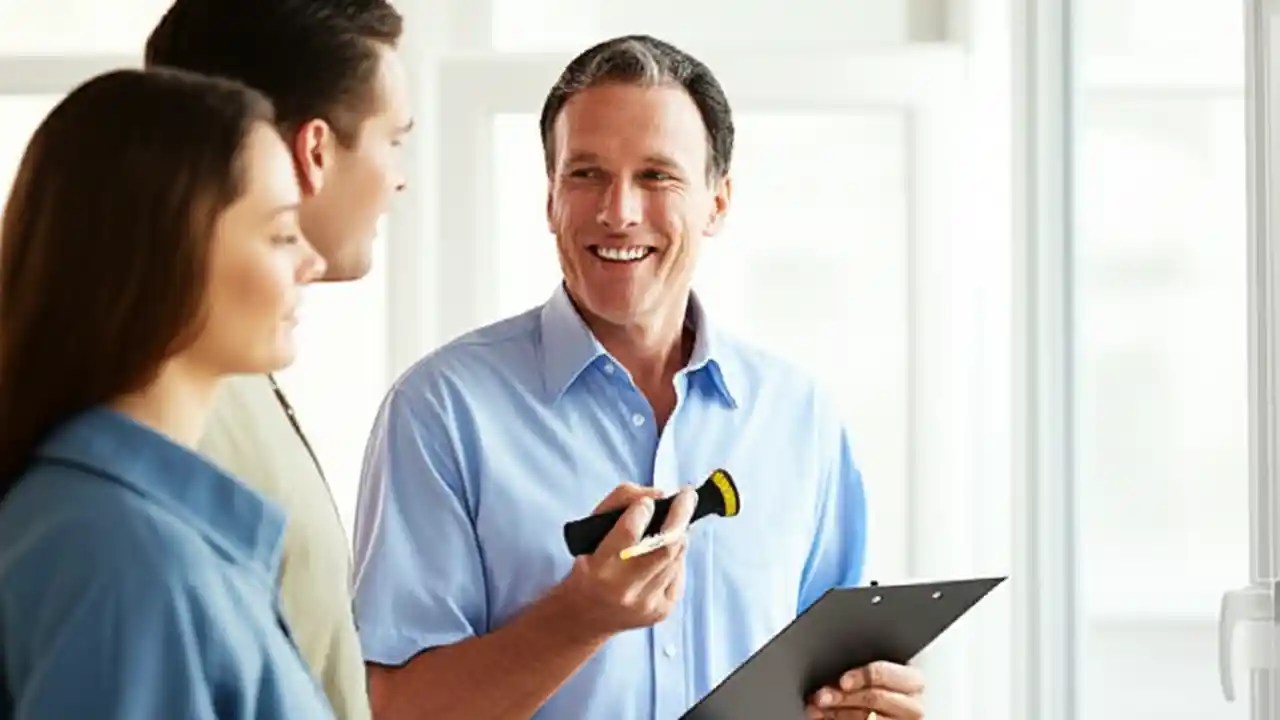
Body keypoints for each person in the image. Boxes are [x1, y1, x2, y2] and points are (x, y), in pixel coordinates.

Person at [352, 34, 927, 720]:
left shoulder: (799, 416)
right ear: (550, 199)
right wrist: (577, 617)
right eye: (586, 174)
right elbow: (392, 710)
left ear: (717, 202)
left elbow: (826, 684)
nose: (618, 211)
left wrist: (861, 705)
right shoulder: (440, 412)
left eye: (657, 176)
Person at [0, 68, 329, 718]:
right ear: (169, 247)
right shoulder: (128, 564)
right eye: (282, 232)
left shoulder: (116, 530)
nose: (310, 262)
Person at [144, 2, 412, 718]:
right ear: (315, 150)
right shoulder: (161, 401)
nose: (399, 179)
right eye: (395, 140)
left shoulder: (233, 363)